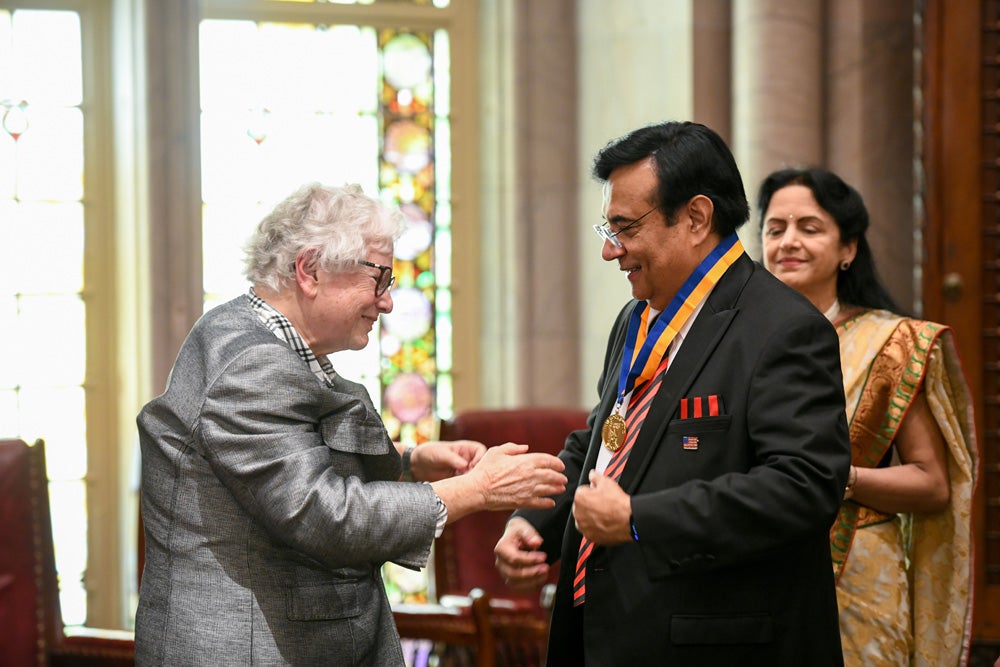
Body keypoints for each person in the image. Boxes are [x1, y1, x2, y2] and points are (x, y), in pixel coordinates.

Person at [135, 182, 567, 666]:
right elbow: (322, 515)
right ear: (310, 270)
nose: (385, 303)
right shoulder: (252, 364)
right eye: (378, 279)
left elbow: (290, 453)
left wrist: (413, 460)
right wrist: (477, 490)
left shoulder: (258, 338)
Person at [494, 121, 851, 665]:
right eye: (607, 230)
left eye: (626, 228)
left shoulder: (782, 328)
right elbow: (607, 439)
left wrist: (640, 518)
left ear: (696, 218)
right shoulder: (638, 318)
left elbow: (803, 488)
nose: (612, 251)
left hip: (713, 646)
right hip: (609, 632)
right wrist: (534, 521)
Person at [757, 167, 978, 667]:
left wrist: (835, 478)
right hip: (757, 568)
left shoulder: (892, 344)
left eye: (809, 228)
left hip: (858, 575)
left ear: (848, 248)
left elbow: (933, 484)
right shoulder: (737, 341)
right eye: (775, 229)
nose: (788, 242)